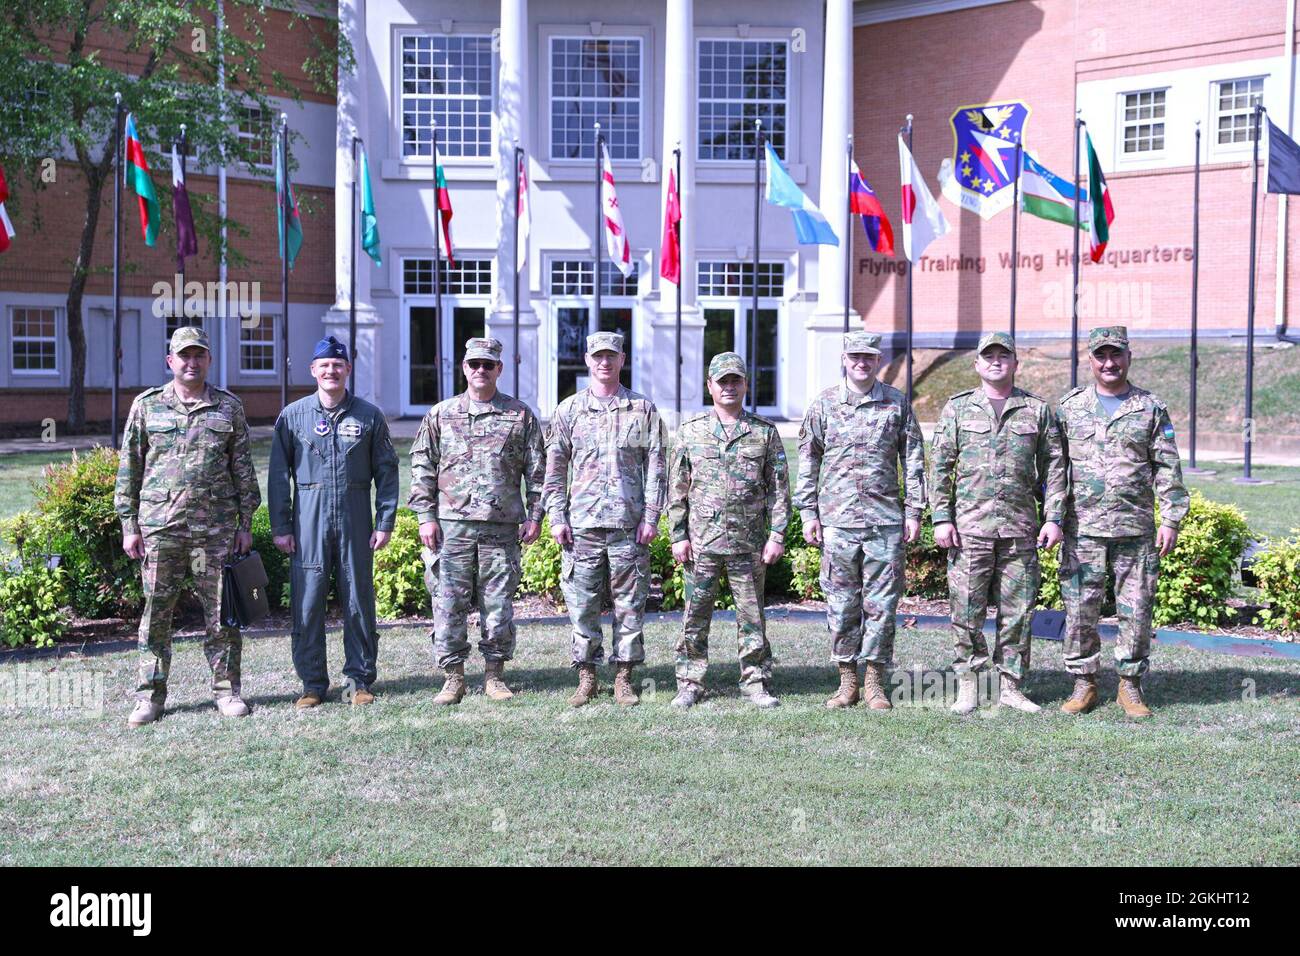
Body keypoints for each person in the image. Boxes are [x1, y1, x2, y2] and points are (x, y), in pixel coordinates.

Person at [114, 326, 260, 727]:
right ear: (170, 361)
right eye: (184, 356)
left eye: (199, 355)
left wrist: (245, 523)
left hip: (215, 531)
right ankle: (149, 697)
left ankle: (227, 692)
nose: (191, 363)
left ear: (209, 360)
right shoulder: (147, 407)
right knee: (157, 615)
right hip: (162, 530)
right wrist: (130, 525)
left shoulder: (228, 408)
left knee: (221, 615)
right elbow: (130, 469)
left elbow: (243, 471)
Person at [929, 332, 1067, 715]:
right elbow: (939, 466)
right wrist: (941, 517)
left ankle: (1011, 686)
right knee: (966, 611)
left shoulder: (1036, 410)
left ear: (1015, 363)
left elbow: (1055, 468)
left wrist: (1053, 517)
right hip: (969, 529)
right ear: (976, 364)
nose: (995, 362)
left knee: (1018, 613)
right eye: (987, 356)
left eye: (1003, 356)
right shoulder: (958, 409)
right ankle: (969, 685)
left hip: (1020, 530)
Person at [1057, 326, 1189, 717]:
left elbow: (1167, 466)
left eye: (1116, 355)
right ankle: (1084, 684)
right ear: (1091, 359)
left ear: (1129, 357)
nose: (1109, 363)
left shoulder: (1150, 407)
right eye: (1101, 356)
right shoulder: (1070, 407)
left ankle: (1129, 686)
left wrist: (1172, 519)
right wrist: (1052, 516)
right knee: (1080, 607)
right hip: (1082, 528)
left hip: (1136, 529)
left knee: (1137, 608)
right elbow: (1054, 468)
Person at [409, 337, 545, 705]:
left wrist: (535, 515)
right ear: (464, 368)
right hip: (452, 527)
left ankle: (494, 675)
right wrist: (425, 516)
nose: (481, 371)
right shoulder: (441, 414)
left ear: (500, 368)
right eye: (474, 365)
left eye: (488, 365)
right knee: (448, 602)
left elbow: (538, 472)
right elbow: (422, 465)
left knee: (498, 605)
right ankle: (453, 676)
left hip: (500, 528)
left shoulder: (520, 415)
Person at [793, 331, 925, 710]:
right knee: (841, 604)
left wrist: (914, 511)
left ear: (878, 359)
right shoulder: (824, 405)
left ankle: (874, 682)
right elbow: (809, 462)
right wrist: (807, 513)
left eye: (868, 356)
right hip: (838, 522)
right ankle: (846, 680)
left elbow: (913, 461)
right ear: (845, 358)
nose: (862, 362)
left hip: (884, 522)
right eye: (855, 356)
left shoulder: (896, 404)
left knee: (882, 605)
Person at [267, 336, 399, 709]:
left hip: (355, 516)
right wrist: (281, 527)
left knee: (358, 600)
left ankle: (359, 680)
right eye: (324, 365)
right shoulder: (292, 417)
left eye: (337, 365)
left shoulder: (368, 416)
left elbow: (387, 472)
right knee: (308, 603)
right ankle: (312, 683)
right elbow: (279, 477)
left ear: (347, 370)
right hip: (309, 520)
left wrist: (384, 520)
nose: (331, 371)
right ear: (313, 370)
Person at [543, 331, 666, 707]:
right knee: (582, 604)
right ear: (586, 360)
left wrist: (651, 516)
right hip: (582, 525)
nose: (604, 363)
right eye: (598, 356)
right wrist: (556, 515)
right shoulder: (569, 411)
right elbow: (555, 468)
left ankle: (625, 679)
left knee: (630, 605)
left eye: (611, 356)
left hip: (629, 526)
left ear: (622, 360)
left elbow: (657, 466)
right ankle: (586, 677)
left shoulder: (642, 410)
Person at [668, 352, 790, 709]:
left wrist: (777, 535)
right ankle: (690, 682)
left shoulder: (764, 434)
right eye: (722, 382)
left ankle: (755, 682)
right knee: (695, 617)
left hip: (747, 543)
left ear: (746, 385)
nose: (729, 387)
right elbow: (677, 489)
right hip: (702, 543)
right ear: (709, 386)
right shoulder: (691, 433)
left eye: (735, 380)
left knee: (752, 618)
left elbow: (779, 489)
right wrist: (678, 536)